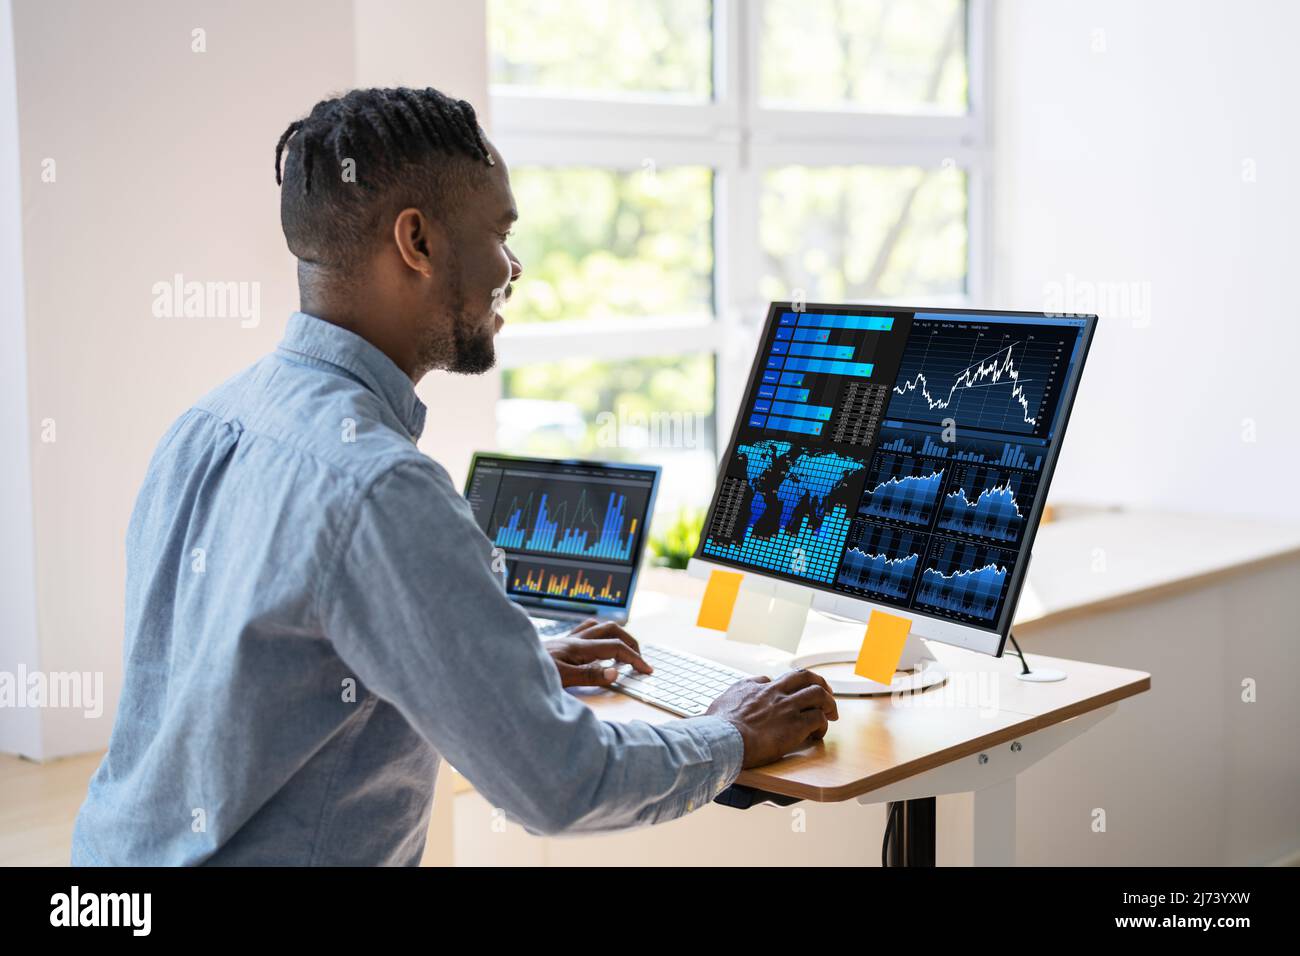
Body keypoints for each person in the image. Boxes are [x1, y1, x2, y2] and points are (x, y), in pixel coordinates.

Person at [71, 87, 838, 866]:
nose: (513, 265)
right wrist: (732, 735)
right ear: (418, 242)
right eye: (501, 231)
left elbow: (258, 678)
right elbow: (562, 785)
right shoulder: (380, 490)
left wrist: (505, 667)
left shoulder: (205, 427)